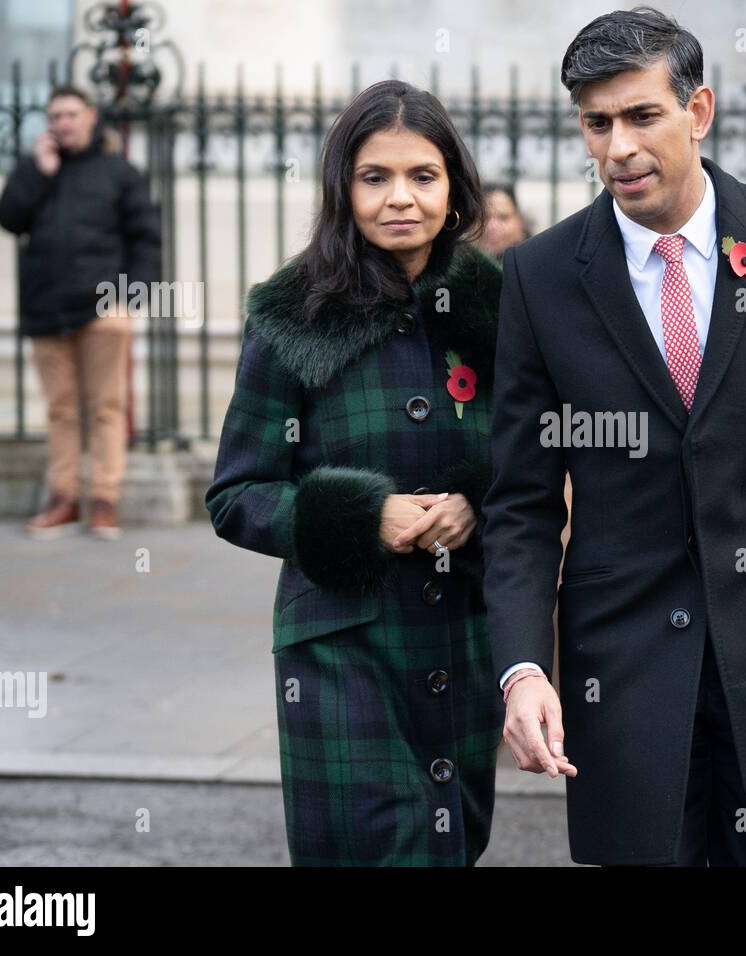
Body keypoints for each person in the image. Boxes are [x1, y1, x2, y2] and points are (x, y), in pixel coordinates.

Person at [483, 6, 746, 867]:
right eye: (596, 123)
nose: (619, 147)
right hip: (626, 676)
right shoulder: (540, 275)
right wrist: (523, 669)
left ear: (699, 110)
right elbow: (522, 503)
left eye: (642, 116)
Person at [205, 80, 503, 865]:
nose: (400, 197)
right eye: (375, 177)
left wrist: (475, 501)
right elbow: (236, 495)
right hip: (341, 644)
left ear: (454, 187)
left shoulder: (494, 307)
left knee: (452, 842)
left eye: (423, 176)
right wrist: (363, 517)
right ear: (344, 187)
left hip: (461, 634)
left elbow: (535, 454)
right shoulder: (293, 314)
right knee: (380, 845)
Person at [0, 85, 161, 540]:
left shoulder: (119, 172)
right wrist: (40, 173)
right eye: (55, 116)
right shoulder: (36, 169)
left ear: (90, 116)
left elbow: (147, 238)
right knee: (61, 409)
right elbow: (8, 218)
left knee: (106, 407)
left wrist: (130, 298)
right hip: (45, 307)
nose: (62, 123)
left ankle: (104, 501)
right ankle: (63, 500)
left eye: (70, 114)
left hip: (102, 308)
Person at [478, 181, 531, 258]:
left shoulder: (538, 260)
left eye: (503, 217)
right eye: (483, 218)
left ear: (520, 221)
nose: (492, 227)